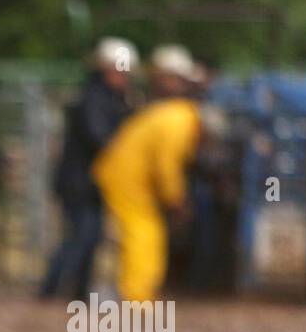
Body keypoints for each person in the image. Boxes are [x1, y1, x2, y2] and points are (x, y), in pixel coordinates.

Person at [92, 45, 206, 302]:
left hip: (125, 175)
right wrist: (175, 199)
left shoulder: (171, 112)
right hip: (126, 179)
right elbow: (166, 166)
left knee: (142, 232)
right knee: (142, 232)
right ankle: (136, 296)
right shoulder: (181, 120)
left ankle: (136, 293)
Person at [39, 37, 137, 301]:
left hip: (88, 182)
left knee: (87, 237)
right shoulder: (93, 99)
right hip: (79, 182)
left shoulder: (107, 99)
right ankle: (52, 289)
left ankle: (75, 291)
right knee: (82, 235)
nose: (125, 77)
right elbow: (99, 137)